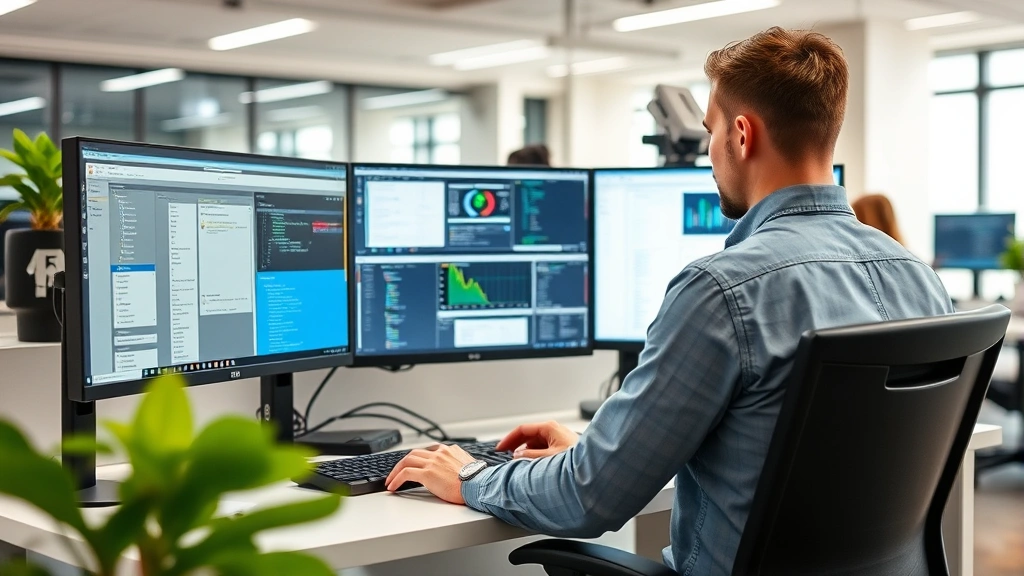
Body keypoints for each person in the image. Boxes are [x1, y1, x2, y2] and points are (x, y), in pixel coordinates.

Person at [386, 27, 953, 575]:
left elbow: (589, 499)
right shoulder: (919, 280)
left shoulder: (723, 291)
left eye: (709, 132)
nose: (708, 153)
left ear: (741, 135)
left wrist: (470, 476)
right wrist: (600, 449)